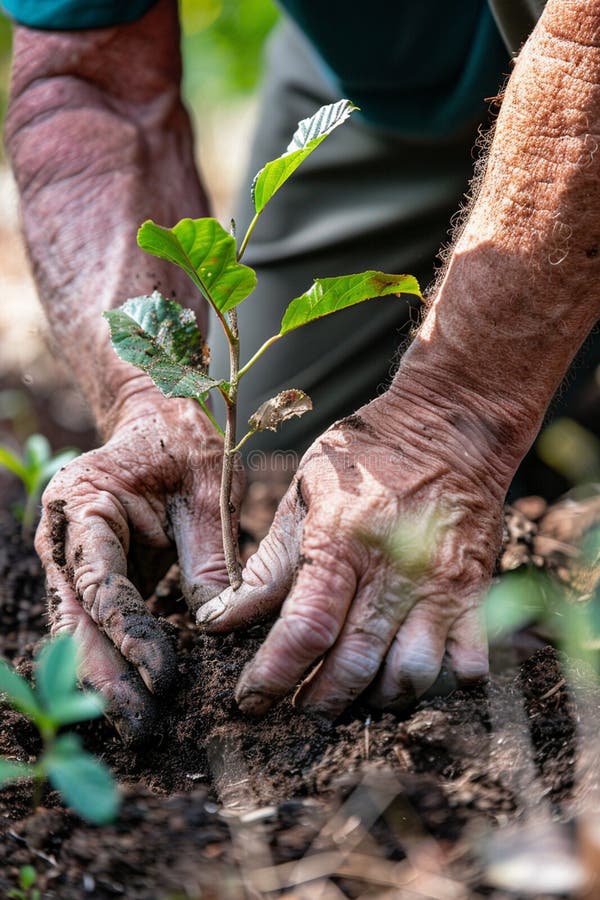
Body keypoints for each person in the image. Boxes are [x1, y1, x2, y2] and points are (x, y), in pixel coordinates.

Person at [3, 0, 600, 740]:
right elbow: (84, 79)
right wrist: (148, 395)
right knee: (283, 496)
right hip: (395, 75)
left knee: (424, 463)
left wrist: (454, 416)